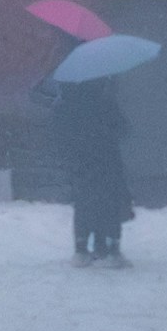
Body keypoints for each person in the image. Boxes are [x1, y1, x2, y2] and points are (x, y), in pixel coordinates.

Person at [45, 61, 133, 265]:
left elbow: (57, 132)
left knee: (84, 200)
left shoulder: (65, 104)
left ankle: (81, 249)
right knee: (110, 201)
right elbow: (122, 128)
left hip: (79, 160)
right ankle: (110, 249)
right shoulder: (104, 100)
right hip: (107, 159)